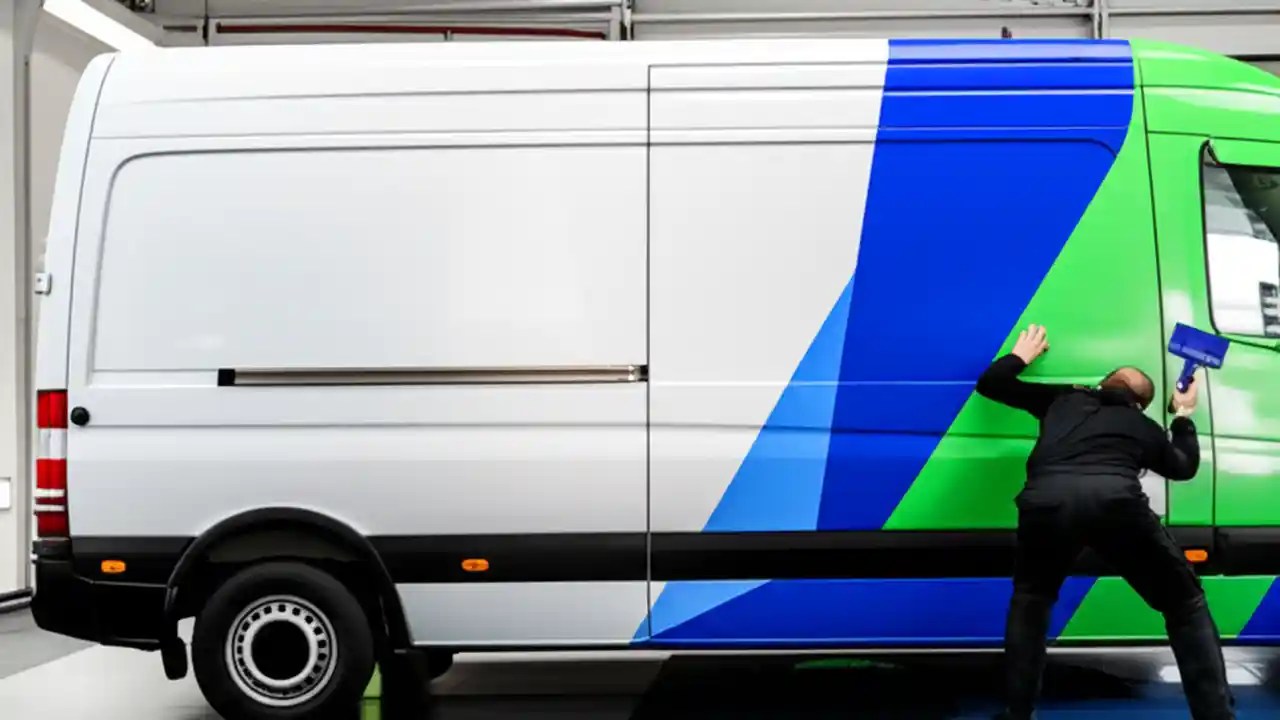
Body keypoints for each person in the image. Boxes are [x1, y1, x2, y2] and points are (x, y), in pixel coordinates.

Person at [976, 324, 1234, 720]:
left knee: (1032, 601)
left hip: (1045, 503)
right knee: (1184, 604)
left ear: (1100, 384)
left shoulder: (1062, 400)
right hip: (1115, 506)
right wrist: (1183, 415)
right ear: (1140, 404)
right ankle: (1215, 715)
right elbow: (1183, 467)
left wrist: (1020, 356)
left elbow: (991, 384)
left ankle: (1017, 713)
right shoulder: (1143, 427)